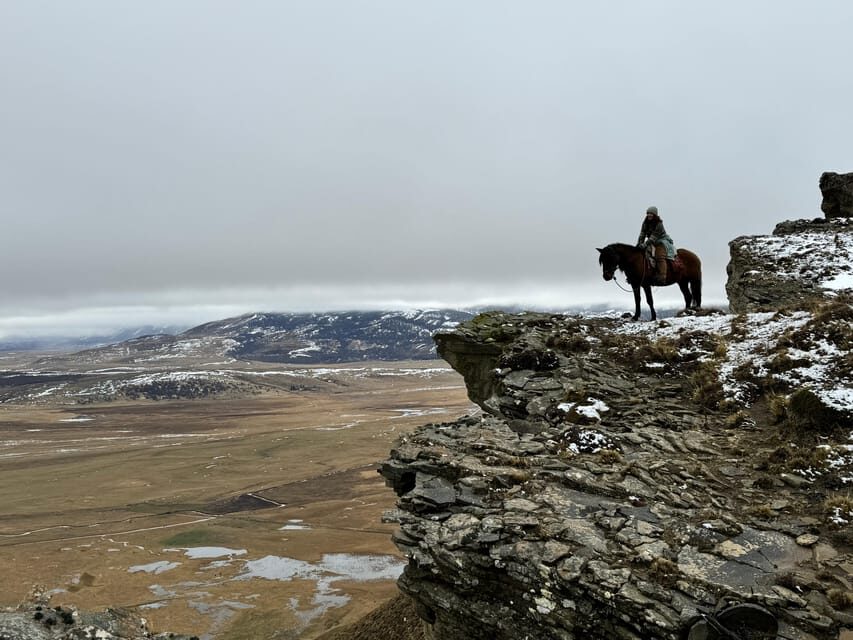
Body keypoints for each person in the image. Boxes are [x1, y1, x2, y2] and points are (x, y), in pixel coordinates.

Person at [636, 206, 676, 285]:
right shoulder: (645, 222)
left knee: (659, 256)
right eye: (648, 213)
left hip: (661, 241)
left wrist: (645, 244)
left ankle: (662, 276)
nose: (649, 215)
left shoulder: (659, 224)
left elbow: (653, 237)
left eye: (651, 214)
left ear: (655, 215)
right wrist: (639, 243)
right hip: (651, 241)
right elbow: (642, 234)